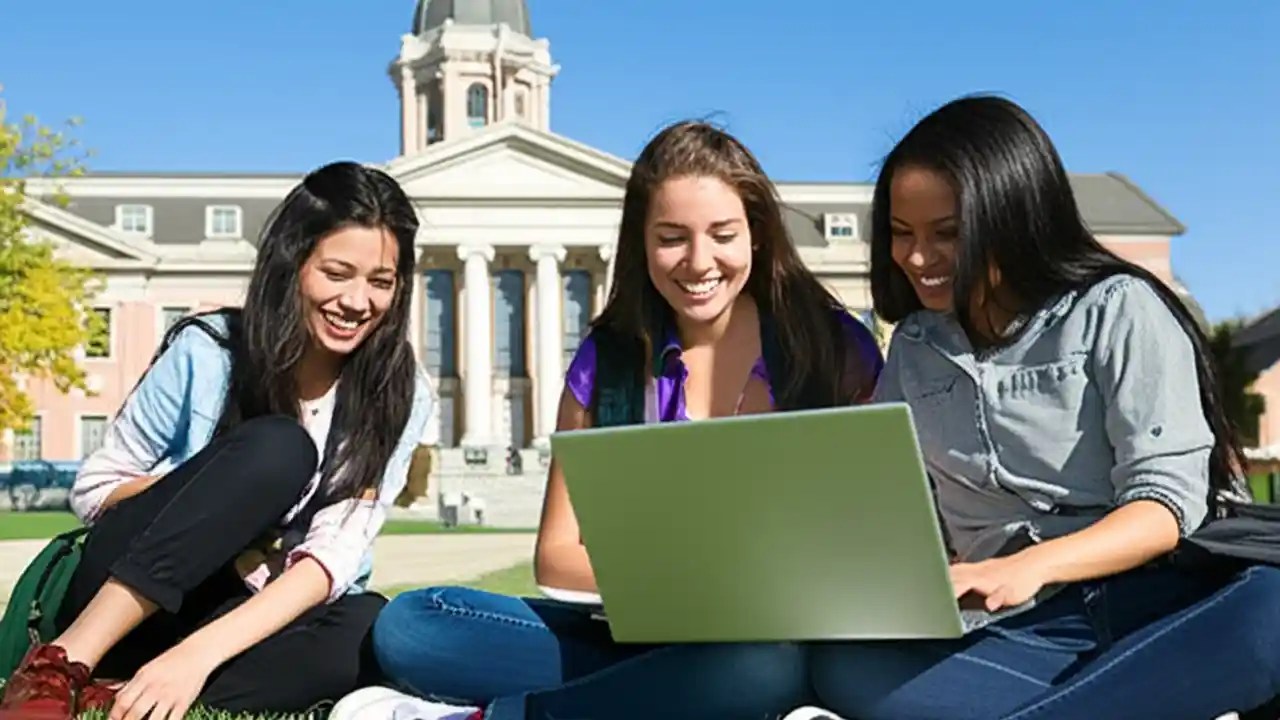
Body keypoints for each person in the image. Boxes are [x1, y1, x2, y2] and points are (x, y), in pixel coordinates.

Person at [339, 121, 884, 720]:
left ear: (756, 233)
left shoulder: (835, 350)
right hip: (641, 628)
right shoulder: (608, 363)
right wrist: (694, 593)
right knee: (413, 626)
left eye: (722, 234)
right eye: (671, 237)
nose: (698, 261)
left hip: (780, 638)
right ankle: (675, 694)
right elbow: (557, 555)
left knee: (764, 661)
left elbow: (875, 544)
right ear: (641, 241)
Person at [801, 95, 1280, 719]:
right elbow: (898, 512)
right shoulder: (914, 351)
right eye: (900, 233)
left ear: (1014, 218)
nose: (917, 258)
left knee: (1271, 608)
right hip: (1017, 636)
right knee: (844, 665)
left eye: (947, 234)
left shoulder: (1118, 309)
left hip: (1155, 609)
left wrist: (1028, 566)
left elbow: (1166, 506)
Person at [0, 161, 435, 720]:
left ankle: (133, 690)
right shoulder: (210, 350)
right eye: (336, 273)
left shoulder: (400, 392)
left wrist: (195, 656)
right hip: (126, 591)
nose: (357, 302)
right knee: (281, 451)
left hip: (230, 619)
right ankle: (61, 665)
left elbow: (334, 554)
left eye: (380, 282)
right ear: (294, 264)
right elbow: (94, 489)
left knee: (369, 625)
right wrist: (213, 495)